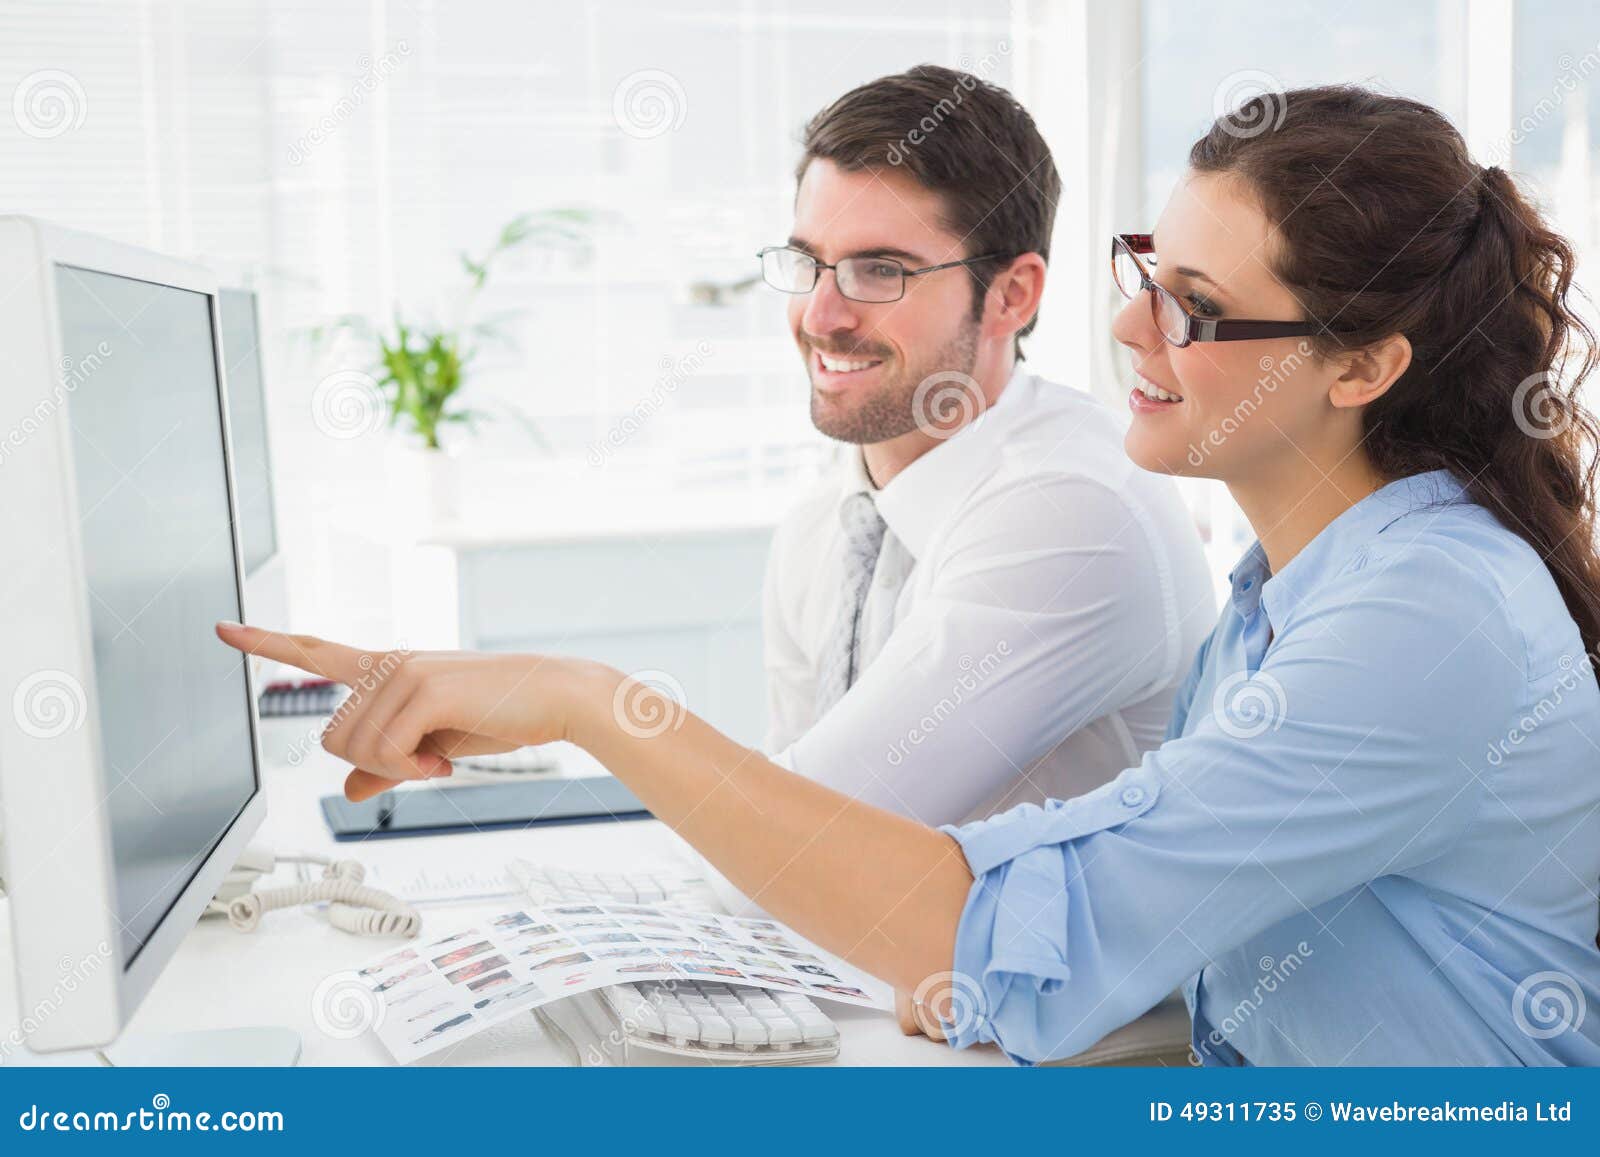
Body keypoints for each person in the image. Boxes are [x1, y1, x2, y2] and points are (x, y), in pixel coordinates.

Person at [218, 84, 1600, 1065]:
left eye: (1193, 305)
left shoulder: (1419, 619)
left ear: (1361, 366)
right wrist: (1001, 968)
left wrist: (584, 698)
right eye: (1145, 269)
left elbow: (992, 913)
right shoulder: (1287, 595)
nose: (1127, 324)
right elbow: (1120, 899)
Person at [753, 67, 1213, 836]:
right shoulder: (822, 523)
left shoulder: (1072, 505)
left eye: (880, 271)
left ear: (1012, 296)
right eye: (808, 263)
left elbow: (805, 835)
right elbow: (767, 826)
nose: (820, 314)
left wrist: (584, 705)